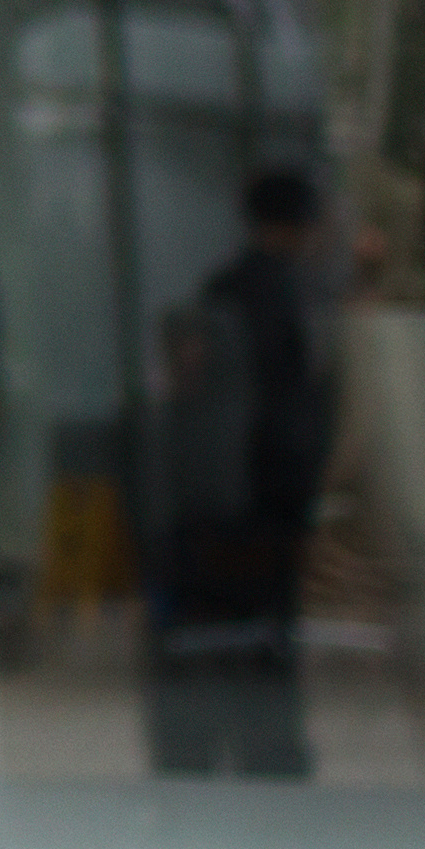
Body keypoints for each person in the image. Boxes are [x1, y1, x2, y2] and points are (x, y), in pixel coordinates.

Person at [138, 166, 337, 778]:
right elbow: (296, 400)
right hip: (268, 484)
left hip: (219, 491)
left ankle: (205, 745)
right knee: (266, 625)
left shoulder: (223, 287)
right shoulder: (294, 295)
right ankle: (268, 747)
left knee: (218, 621)